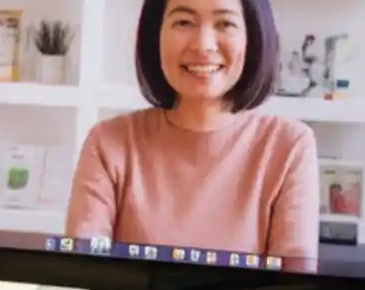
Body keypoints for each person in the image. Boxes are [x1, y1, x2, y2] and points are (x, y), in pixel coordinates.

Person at [65, 0, 320, 271]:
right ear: (155, 35)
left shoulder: (289, 146)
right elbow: (83, 275)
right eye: (184, 22)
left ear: (253, 38)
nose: (204, 45)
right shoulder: (109, 142)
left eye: (225, 23)